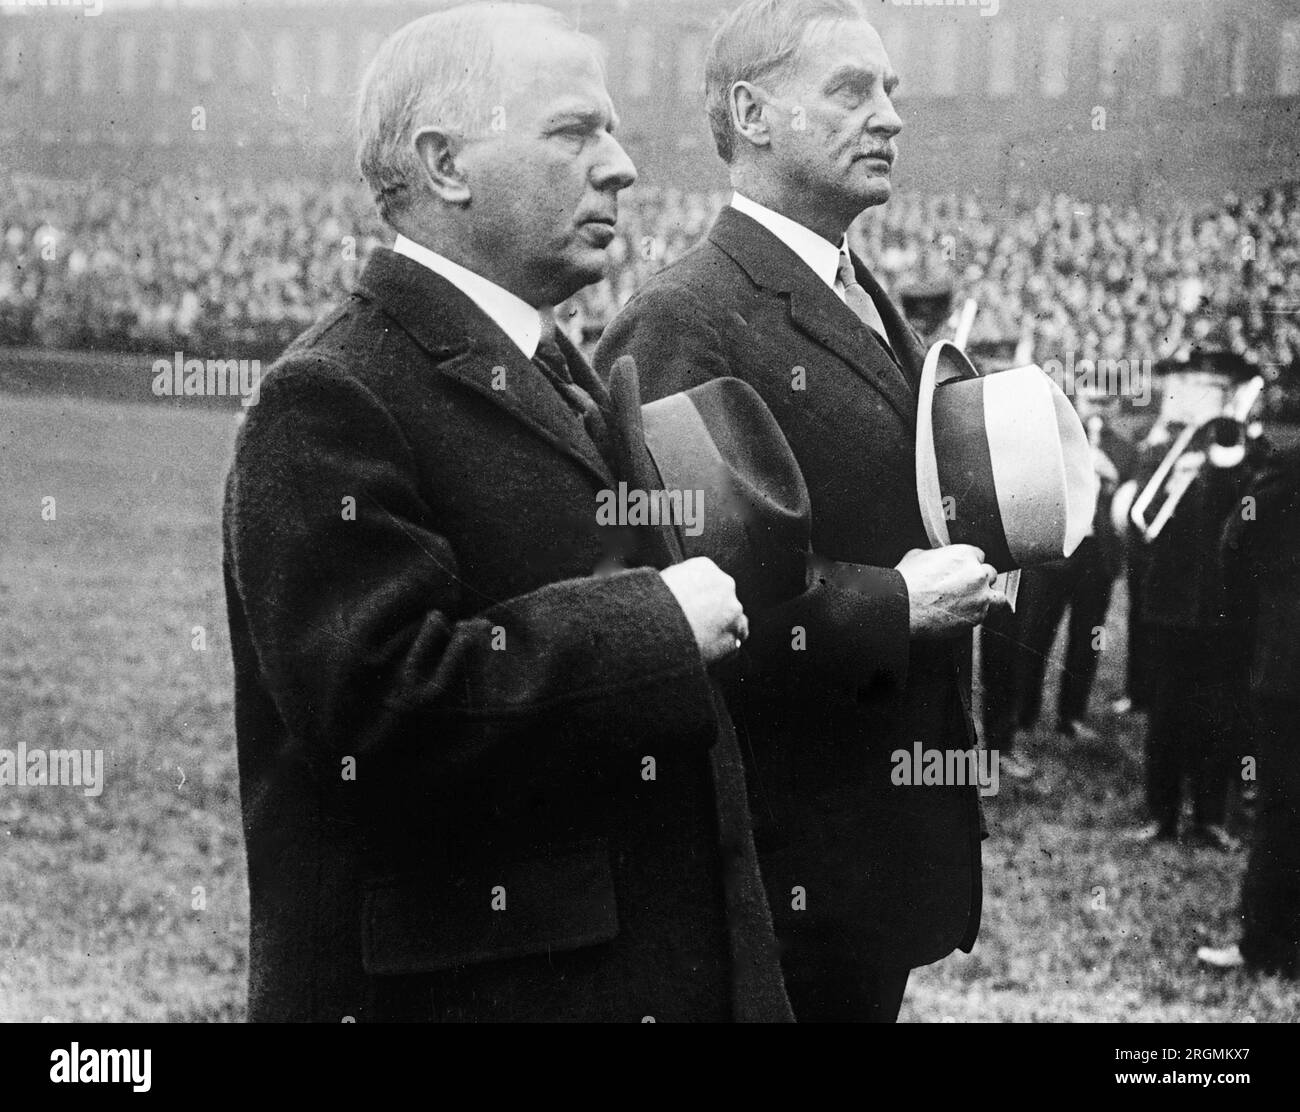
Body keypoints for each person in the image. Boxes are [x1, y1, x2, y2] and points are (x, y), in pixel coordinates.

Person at [222, 3, 787, 1023]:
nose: (618, 166)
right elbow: (378, 709)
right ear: (445, 164)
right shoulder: (329, 394)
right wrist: (653, 625)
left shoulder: (559, 361)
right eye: (573, 131)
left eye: (611, 132)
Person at [598, 0, 1004, 1022]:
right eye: (851, 90)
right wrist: (895, 603)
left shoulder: (862, 293)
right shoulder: (686, 312)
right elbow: (682, 607)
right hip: (775, 859)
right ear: (753, 112)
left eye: (891, 93)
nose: (889, 117)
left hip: (870, 843)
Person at [1130, 349, 1263, 850]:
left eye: (1214, 389)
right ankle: (1161, 814)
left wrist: (1230, 460)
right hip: (1171, 606)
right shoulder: (1161, 448)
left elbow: (1252, 514)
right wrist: (1178, 471)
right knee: (1166, 714)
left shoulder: (1251, 452)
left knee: (1220, 713)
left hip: (1227, 609)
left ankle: (1210, 816)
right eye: (1197, 387)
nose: (1205, 397)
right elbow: (1143, 524)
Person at [1199, 448, 1300, 976]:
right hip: (1288, 674)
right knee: (1284, 809)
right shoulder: (1292, 464)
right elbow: (1236, 538)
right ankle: (1266, 943)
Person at [1013, 383, 1136, 747]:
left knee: (1087, 640)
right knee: (1035, 637)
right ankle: (1024, 714)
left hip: (1096, 560)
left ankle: (1072, 715)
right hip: (1054, 556)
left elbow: (1130, 506)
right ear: (1076, 402)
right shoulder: (1055, 440)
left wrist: (1112, 478)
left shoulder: (1125, 451)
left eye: (1106, 401)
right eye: (1091, 399)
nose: (1098, 408)